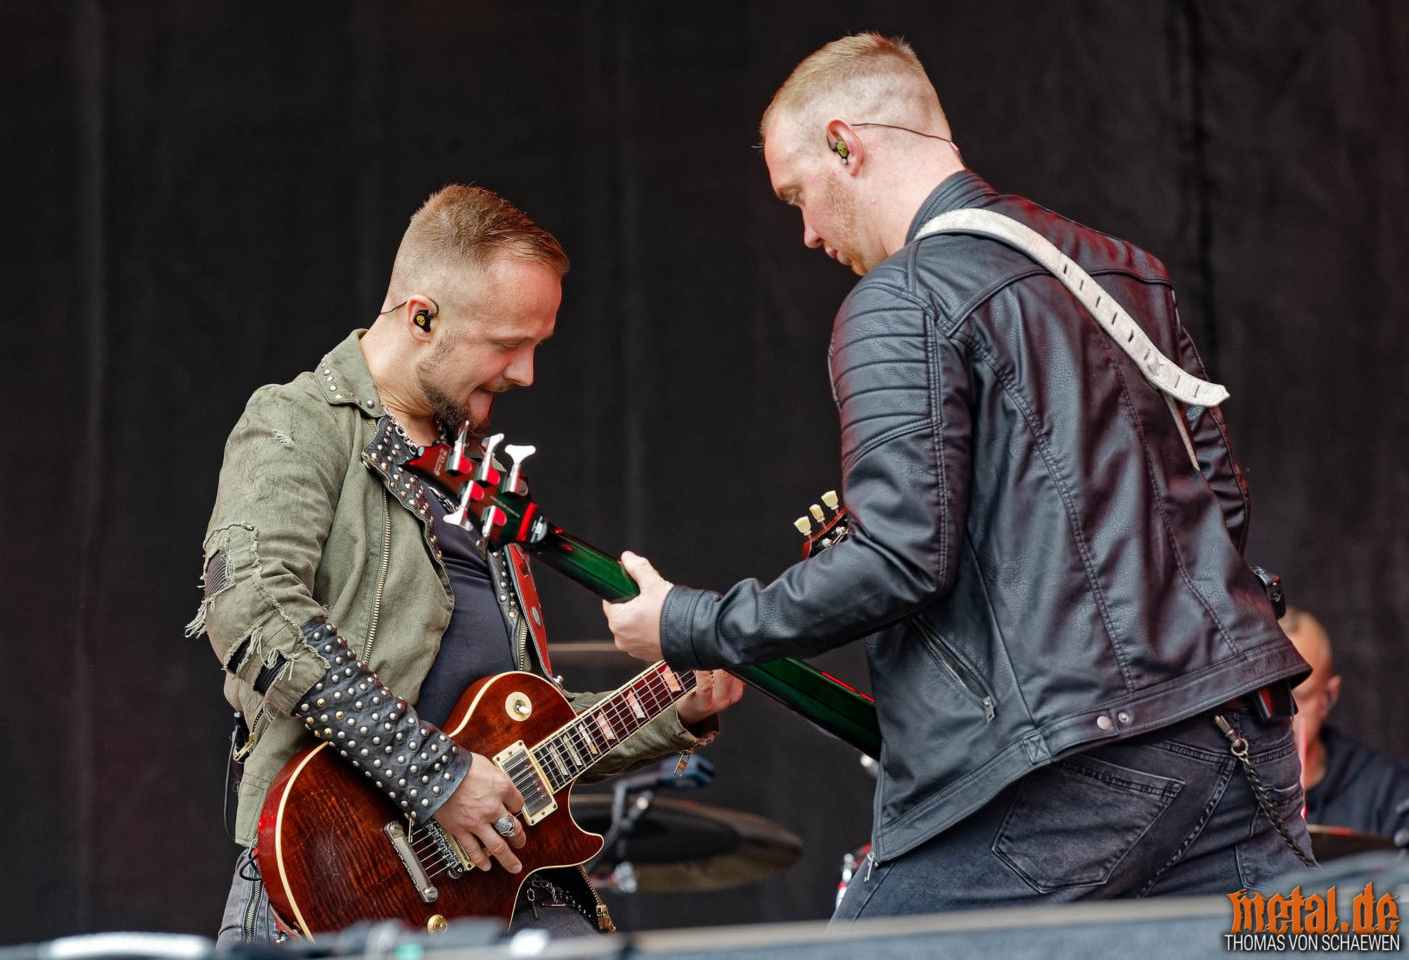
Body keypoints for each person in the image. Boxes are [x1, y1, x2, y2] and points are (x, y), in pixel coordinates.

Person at [604, 33, 1313, 918]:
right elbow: (1220, 502)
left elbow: (898, 558)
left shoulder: (900, 297)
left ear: (844, 144)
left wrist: (691, 622)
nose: (808, 232)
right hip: (1242, 740)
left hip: (1075, 775)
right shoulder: (1125, 270)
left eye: (799, 197)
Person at [189, 184, 742, 945]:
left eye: (537, 346)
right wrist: (438, 776)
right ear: (422, 316)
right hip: (330, 885)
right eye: (508, 344)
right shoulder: (297, 422)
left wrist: (676, 708)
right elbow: (251, 609)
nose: (525, 374)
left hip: (498, 900)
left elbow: (527, 737)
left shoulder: (477, 479)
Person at [1281, 606, 1409, 843]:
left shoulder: (1388, 792)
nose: (1281, 714)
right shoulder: (1218, 792)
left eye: (1300, 696)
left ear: (1330, 696)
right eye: (1266, 698)